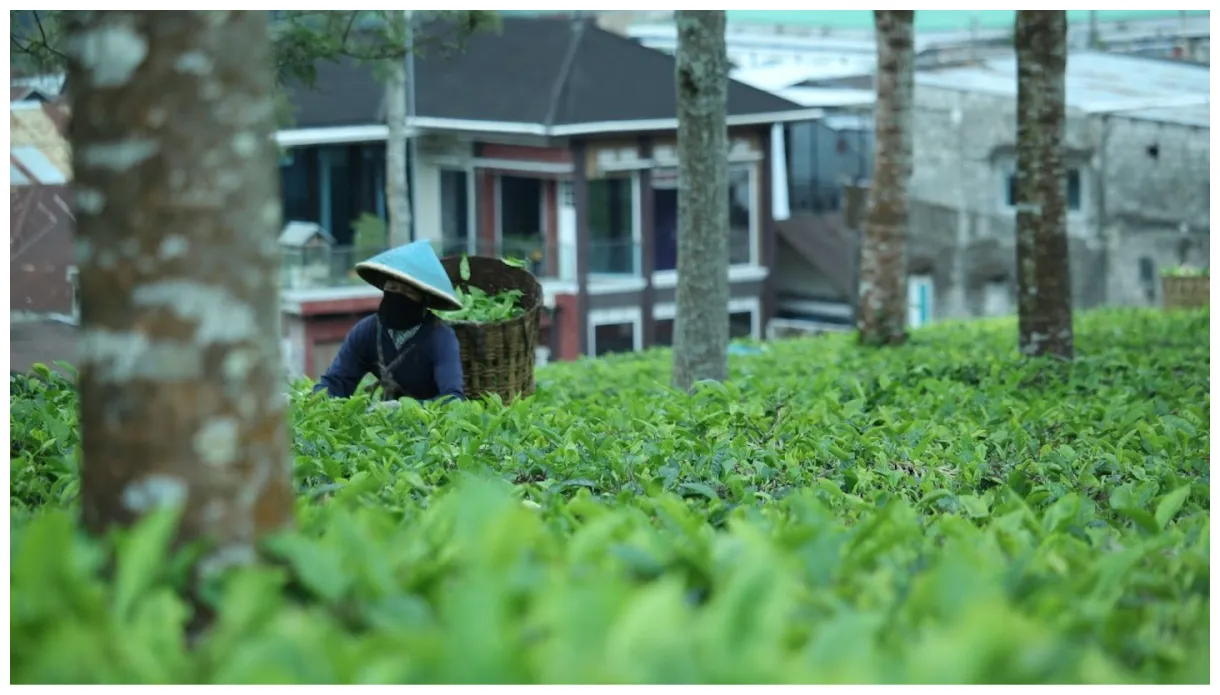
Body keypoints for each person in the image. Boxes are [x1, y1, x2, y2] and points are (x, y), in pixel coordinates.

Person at [314, 241, 465, 403]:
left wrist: (404, 409)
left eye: (408, 292)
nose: (398, 297)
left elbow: (453, 399)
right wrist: (314, 400)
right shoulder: (366, 332)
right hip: (384, 420)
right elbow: (337, 381)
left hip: (428, 423)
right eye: (392, 288)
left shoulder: (440, 337)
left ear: (424, 300)